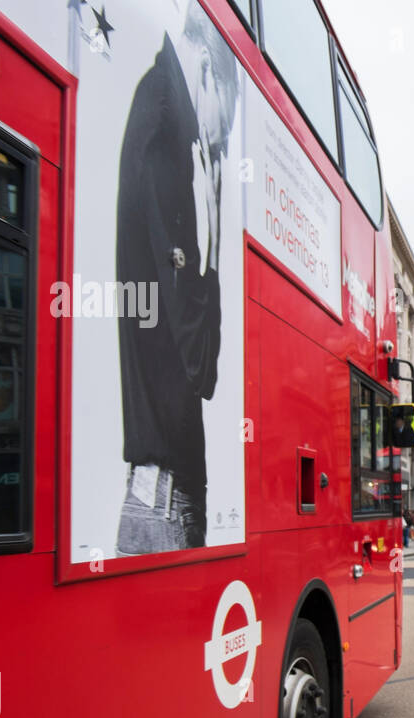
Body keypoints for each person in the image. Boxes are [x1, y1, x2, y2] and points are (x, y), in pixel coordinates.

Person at [114, 6, 240, 555]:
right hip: (165, 504)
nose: (222, 146)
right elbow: (194, 353)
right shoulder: (165, 120)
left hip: (164, 498)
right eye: (226, 126)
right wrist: (211, 193)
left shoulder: (161, 108)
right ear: (211, 76)